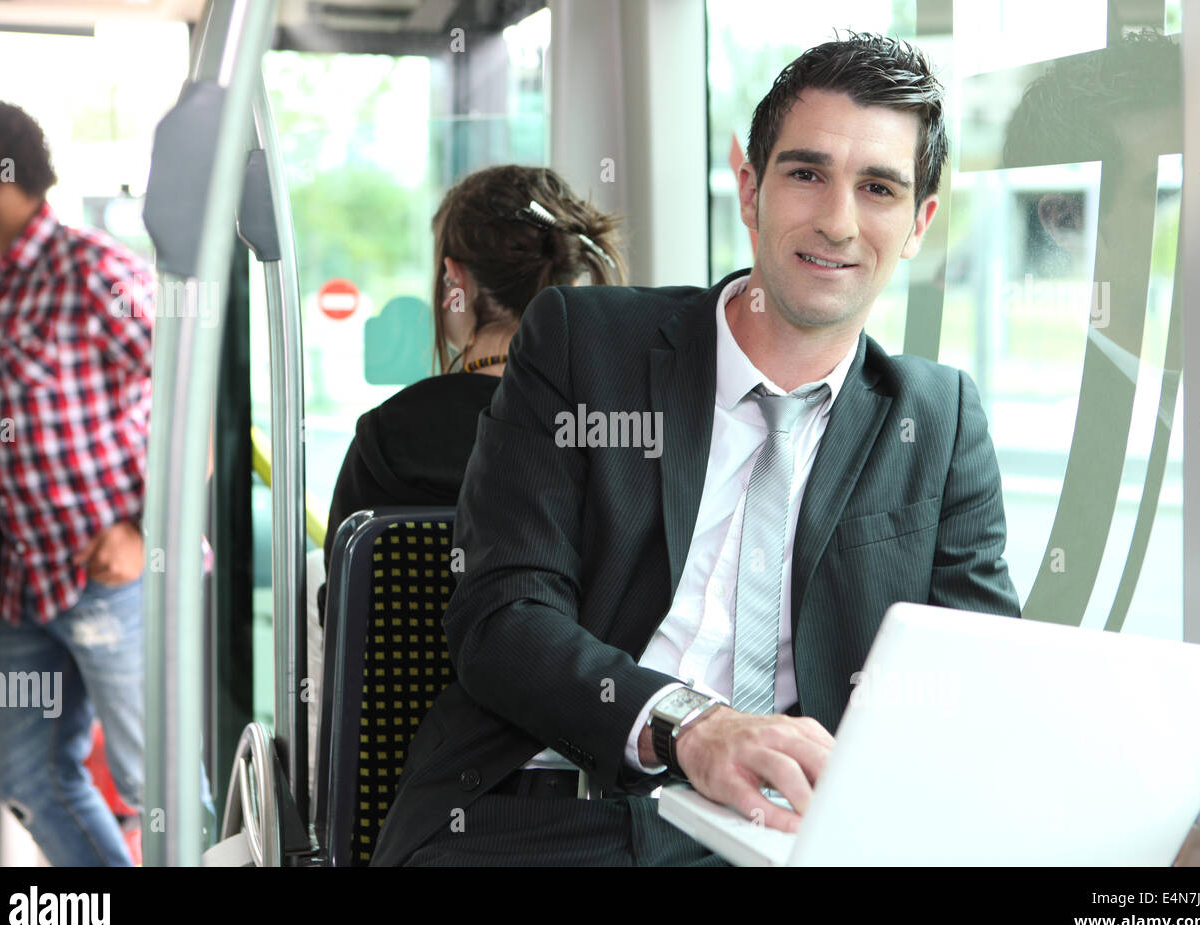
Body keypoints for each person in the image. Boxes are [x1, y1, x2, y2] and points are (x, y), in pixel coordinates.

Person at [371, 33, 1021, 868]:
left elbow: (979, 685)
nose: (838, 220)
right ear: (749, 187)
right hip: (548, 818)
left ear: (920, 222)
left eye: (879, 188)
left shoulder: (940, 421)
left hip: (788, 835)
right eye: (806, 173)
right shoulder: (583, 344)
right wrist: (692, 727)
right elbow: (501, 615)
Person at [0, 94, 152, 866]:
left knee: (159, 783)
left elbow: (190, 396)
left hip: (115, 579)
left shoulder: (95, 270)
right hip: (27, 584)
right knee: (31, 778)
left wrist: (147, 530)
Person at [322, 164, 626, 579]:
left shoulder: (386, 439)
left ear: (455, 280)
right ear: (571, 285)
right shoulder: (612, 432)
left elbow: (341, 613)